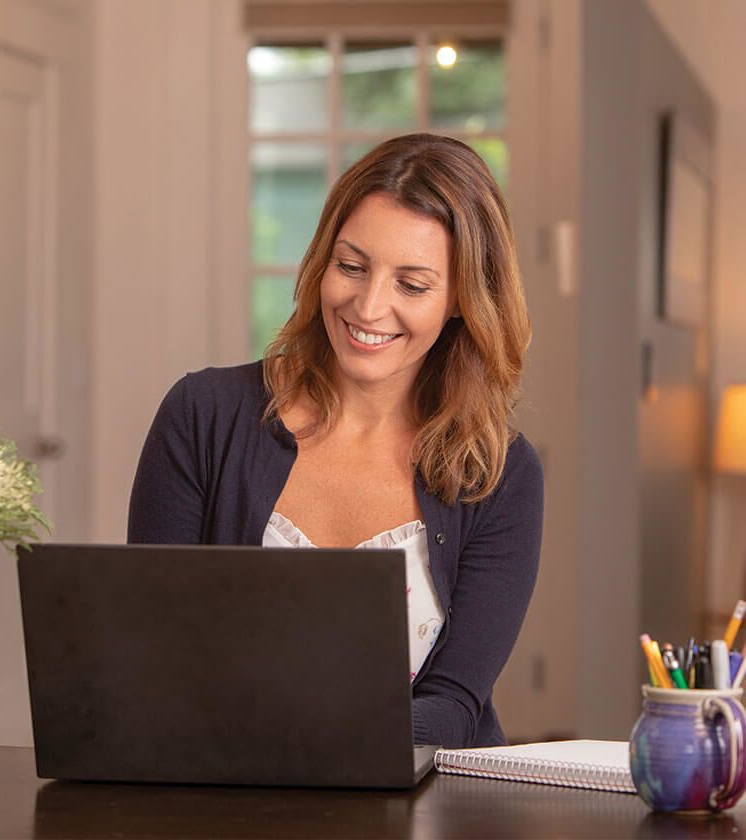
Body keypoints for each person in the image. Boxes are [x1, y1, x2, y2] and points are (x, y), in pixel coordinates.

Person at [128, 133, 544, 749]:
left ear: (462, 300)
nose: (369, 306)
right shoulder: (202, 415)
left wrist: (281, 737)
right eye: (351, 266)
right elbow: (150, 655)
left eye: (413, 284)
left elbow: (452, 707)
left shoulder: (499, 472)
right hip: (218, 801)